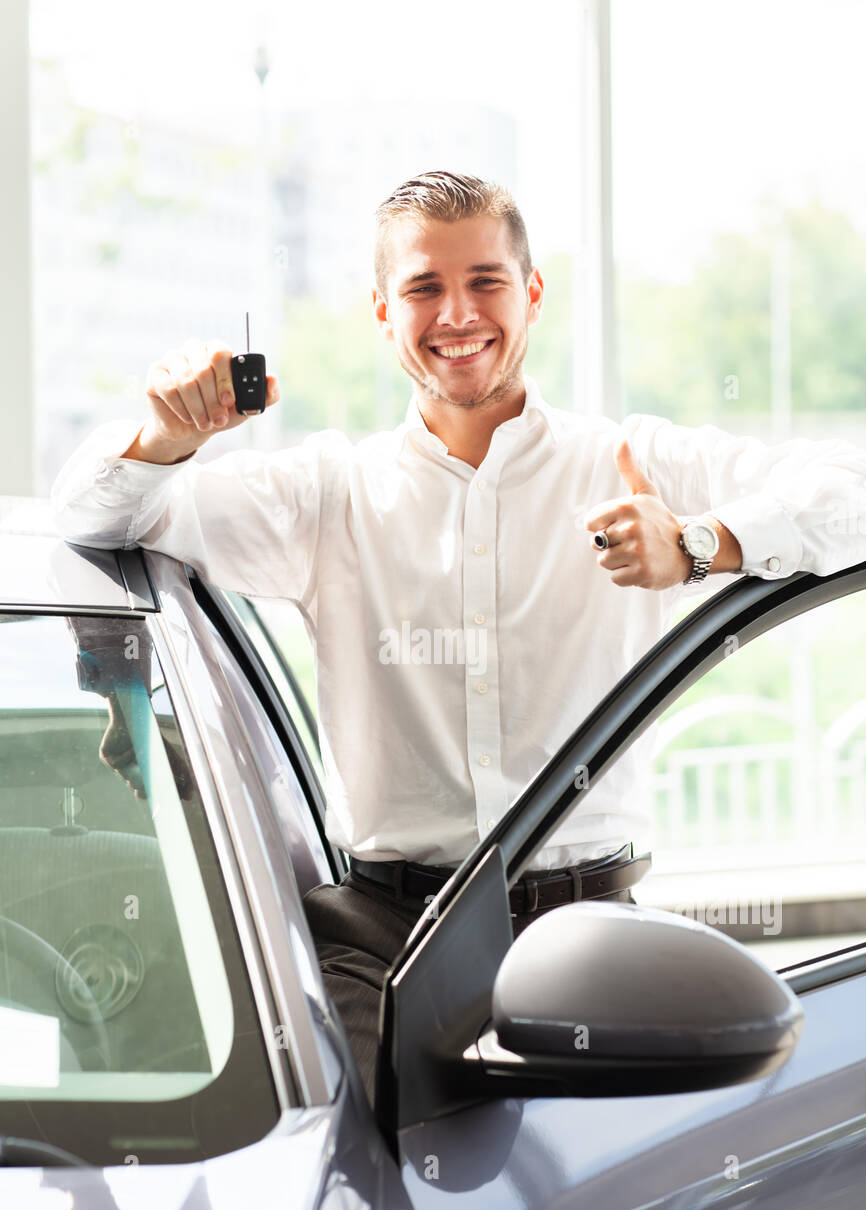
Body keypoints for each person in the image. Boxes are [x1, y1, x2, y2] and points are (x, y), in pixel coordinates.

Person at [51, 170, 866, 1107]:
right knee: (359, 1171)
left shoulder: (634, 461)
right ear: (381, 310)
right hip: (380, 942)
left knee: (629, 1195)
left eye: (485, 281)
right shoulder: (329, 495)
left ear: (533, 293)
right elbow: (93, 518)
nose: (457, 314)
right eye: (424, 288)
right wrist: (161, 435)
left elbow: (855, 490)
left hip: (591, 938)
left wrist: (699, 545)